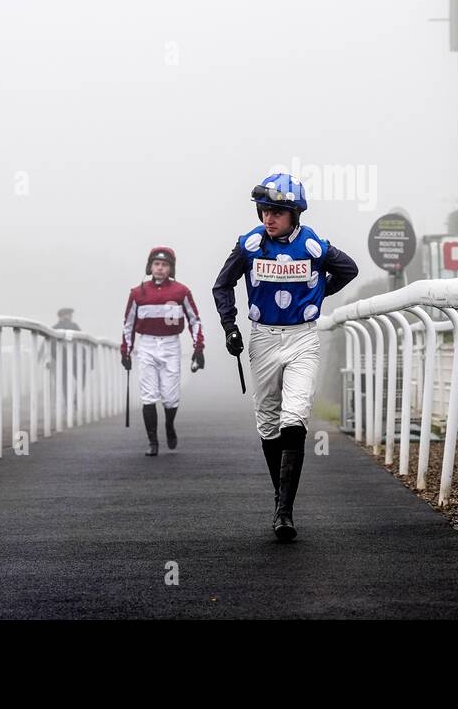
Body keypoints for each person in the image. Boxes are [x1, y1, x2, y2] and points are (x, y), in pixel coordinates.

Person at [212, 173, 358, 542]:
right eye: (264, 211)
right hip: (262, 339)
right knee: (268, 422)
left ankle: (284, 512)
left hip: (302, 339)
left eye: (276, 212)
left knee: (294, 417)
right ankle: (281, 494)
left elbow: (348, 269)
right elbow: (222, 284)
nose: (268, 218)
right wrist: (230, 327)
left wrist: (316, 295)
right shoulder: (249, 244)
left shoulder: (314, 245)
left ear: (294, 214)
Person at [121, 246, 205, 456]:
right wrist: (126, 350)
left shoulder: (181, 292)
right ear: (150, 267)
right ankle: (152, 441)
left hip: (170, 345)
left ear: (171, 268)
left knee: (170, 395)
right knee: (148, 395)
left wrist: (198, 348)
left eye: (164, 265)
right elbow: (128, 324)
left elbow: (194, 321)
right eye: (156, 264)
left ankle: (169, 424)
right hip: (147, 345)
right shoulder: (137, 293)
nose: (160, 268)